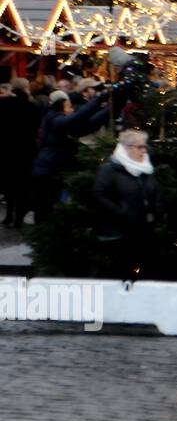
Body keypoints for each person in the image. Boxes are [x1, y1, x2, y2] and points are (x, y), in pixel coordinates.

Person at [31, 88, 111, 223]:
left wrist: (109, 109)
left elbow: (90, 124)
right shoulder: (56, 120)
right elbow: (80, 117)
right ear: (61, 107)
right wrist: (98, 100)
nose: (72, 109)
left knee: (50, 203)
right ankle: (45, 230)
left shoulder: (61, 122)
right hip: (48, 170)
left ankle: (49, 227)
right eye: (69, 107)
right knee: (45, 204)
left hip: (53, 169)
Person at [92, 129, 163, 274]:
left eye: (145, 147)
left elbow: (155, 191)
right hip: (118, 235)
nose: (144, 151)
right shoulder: (109, 170)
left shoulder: (145, 169)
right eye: (140, 147)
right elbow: (99, 195)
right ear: (127, 148)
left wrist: (157, 209)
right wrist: (121, 212)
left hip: (144, 232)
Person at [0, 78, 40, 228]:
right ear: (26, 88)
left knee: (9, 185)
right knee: (23, 186)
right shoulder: (32, 106)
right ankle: (19, 218)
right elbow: (36, 128)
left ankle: (9, 215)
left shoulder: (3, 105)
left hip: (6, 151)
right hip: (26, 151)